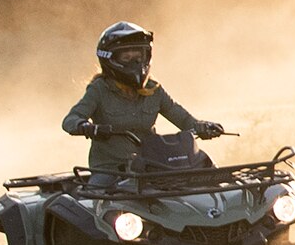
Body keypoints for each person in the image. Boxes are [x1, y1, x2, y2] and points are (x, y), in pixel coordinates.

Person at [62, 21, 223, 173]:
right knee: (98, 192)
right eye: (126, 58)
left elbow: (184, 120)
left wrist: (204, 127)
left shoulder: (154, 90)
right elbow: (70, 120)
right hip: (111, 170)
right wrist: (88, 127)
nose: (134, 63)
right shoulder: (99, 89)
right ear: (109, 58)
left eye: (138, 57)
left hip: (151, 166)